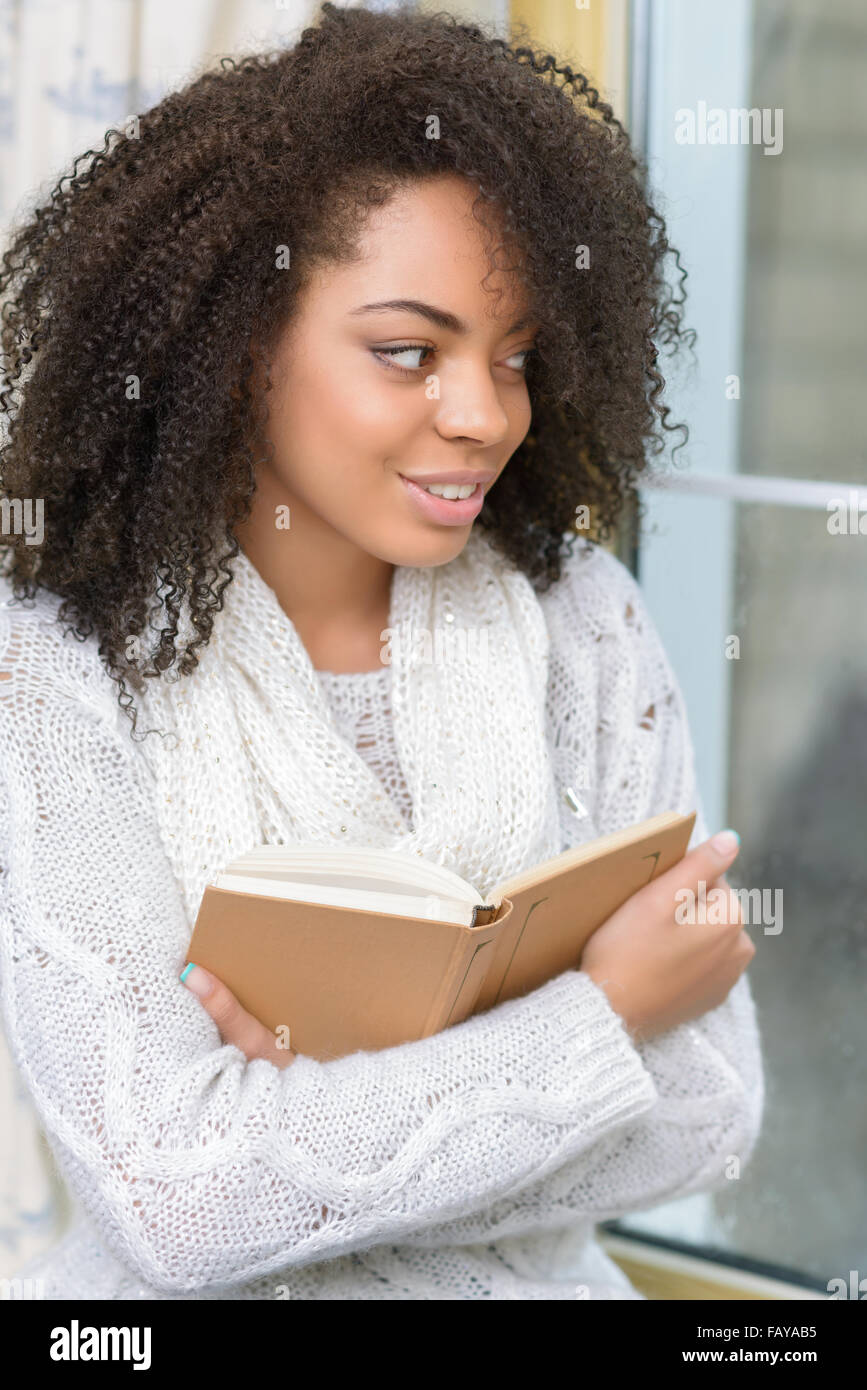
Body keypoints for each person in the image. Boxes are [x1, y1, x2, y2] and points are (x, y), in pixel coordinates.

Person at [0, 3, 762, 1300]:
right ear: (241, 344)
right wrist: (598, 1019)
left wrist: (304, 1105)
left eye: (517, 357)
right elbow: (171, 1203)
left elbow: (710, 1110)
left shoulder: (584, 623)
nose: (483, 415)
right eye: (407, 351)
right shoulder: (58, 670)